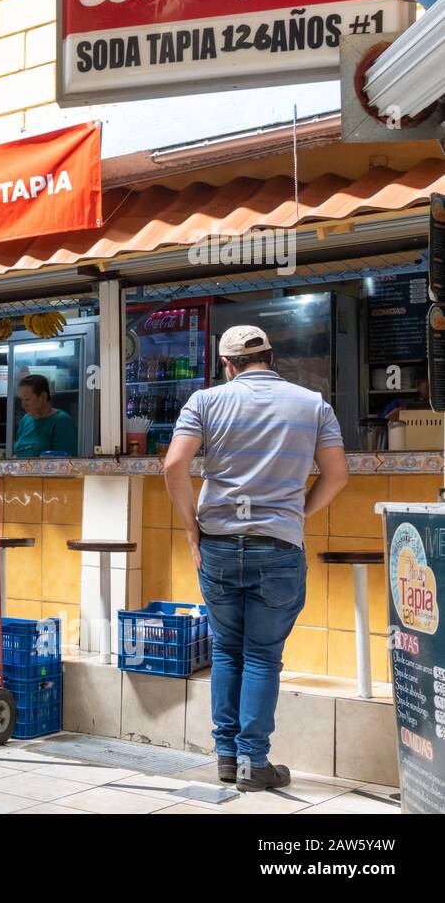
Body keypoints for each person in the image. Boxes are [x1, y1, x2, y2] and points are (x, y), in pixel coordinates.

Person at [163, 326, 348, 792]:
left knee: (226, 650)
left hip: (219, 544)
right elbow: (337, 475)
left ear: (227, 365)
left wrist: (191, 530)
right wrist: (296, 514)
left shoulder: (204, 402)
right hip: (279, 547)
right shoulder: (313, 404)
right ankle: (252, 764)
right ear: (272, 355)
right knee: (263, 656)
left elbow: (173, 465)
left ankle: (226, 757)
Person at [13, 374, 77, 457]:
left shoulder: (62, 421)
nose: (23, 405)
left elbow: (67, 462)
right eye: (22, 400)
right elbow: (16, 454)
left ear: (43, 397)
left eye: (27, 399)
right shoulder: (25, 420)